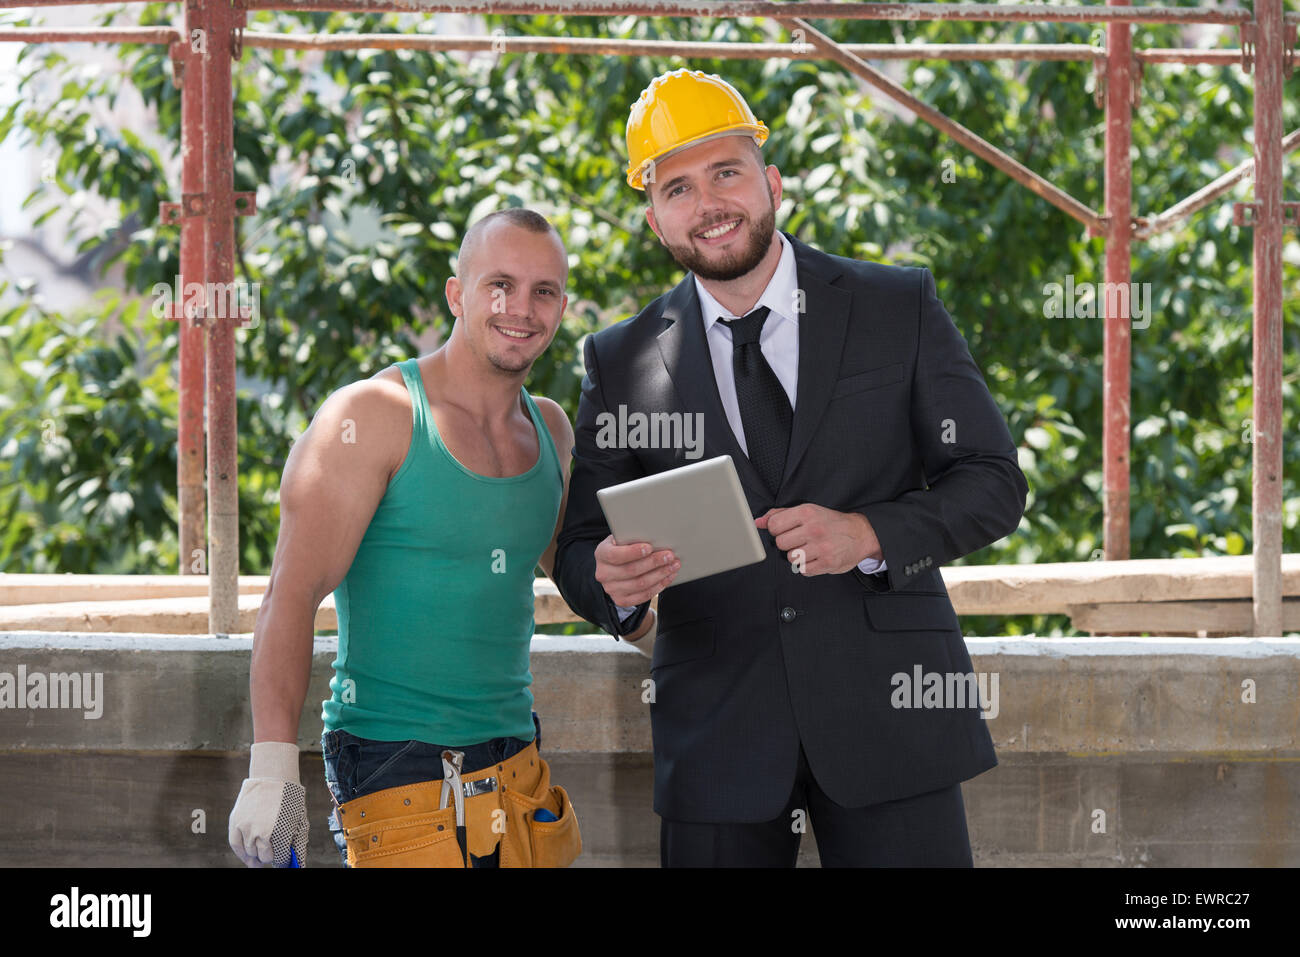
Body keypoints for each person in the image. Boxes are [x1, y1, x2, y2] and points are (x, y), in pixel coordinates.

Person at [552, 69, 1028, 867]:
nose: (708, 204)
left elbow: (992, 481)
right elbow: (578, 548)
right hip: (717, 744)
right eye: (678, 188)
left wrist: (872, 532)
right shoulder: (620, 358)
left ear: (771, 181)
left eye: (726, 172)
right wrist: (610, 583)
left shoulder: (893, 307)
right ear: (653, 217)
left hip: (892, 725)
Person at [228, 208, 582, 868]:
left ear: (563, 305)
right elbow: (291, 593)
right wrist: (271, 767)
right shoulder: (373, 416)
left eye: (545, 291)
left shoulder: (553, 432)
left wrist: (663, 616)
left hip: (519, 765)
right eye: (498, 284)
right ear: (457, 293)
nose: (521, 308)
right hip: (397, 766)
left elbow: (588, 575)